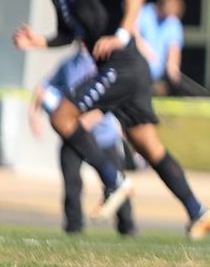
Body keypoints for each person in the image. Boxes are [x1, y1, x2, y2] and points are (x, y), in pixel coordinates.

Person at [13, 0, 210, 240]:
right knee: (149, 148)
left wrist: (121, 35)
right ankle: (198, 211)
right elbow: (70, 35)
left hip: (122, 67)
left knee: (62, 115)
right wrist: (39, 41)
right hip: (125, 73)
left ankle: (114, 180)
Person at [29, 49, 136, 236]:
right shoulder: (69, 64)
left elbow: (112, 98)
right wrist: (33, 116)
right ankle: (74, 227)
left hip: (103, 136)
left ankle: (127, 228)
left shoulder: (106, 63)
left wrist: (87, 119)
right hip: (74, 135)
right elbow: (43, 88)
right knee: (71, 181)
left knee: (115, 183)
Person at [136, 0, 185, 96]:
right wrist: (142, 46)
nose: (170, 17)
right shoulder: (143, 13)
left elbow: (174, 50)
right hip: (136, 75)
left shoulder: (173, 23)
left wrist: (173, 69)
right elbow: (131, 32)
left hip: (156, 80)